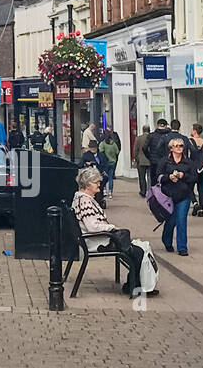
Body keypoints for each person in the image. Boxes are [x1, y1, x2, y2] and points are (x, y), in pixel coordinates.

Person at [72, 166, 146, 295]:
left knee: (133, 247)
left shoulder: (82, 199)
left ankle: (134, 284)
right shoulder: (85, 202)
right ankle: (133, 287)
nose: (99, 184)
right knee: (138, 252)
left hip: (97, 239)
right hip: (97, 242)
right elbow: (92, 227)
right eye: (96, 182)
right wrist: (110, 228)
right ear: (87, 184)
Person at [159, 136, 196, 255]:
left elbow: (194, 177)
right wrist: (168, 177)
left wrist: (182, 176)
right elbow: (158, 177)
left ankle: (182, 247)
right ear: (171, 148)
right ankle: (167, 241)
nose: (179, 148)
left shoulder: (188, 162)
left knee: (181, 221)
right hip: (168, 195)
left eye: (181, 146)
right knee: (171, 221)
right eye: (176, 146)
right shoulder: (165, 161)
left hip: (183, 195)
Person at [188, 123, 203, 217]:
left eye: (192, 129)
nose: (191, 131)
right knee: (201, 189)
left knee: (189, 188)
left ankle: (195, 203)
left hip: (192, 168)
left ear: (195, 131)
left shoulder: (189, 141)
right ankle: (201, 210)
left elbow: (187, 154)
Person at [97, 125, 120, 198]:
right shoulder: (113, 144)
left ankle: (104, 190)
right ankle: (110, 192)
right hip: (112, 162)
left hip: (105, 163)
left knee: (104, 177)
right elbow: (117, 152)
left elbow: (100, 151)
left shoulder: (103, 144)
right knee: (110, 178)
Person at [133, 125, 152, 197]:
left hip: (141, 160)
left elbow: (135, 150)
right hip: (150, 160)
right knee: (150, 177)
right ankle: (150, 191)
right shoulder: (151, 138)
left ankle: (143, 191)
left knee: (142, 177)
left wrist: (136, 158)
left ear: (143, 130)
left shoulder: (138, 138)